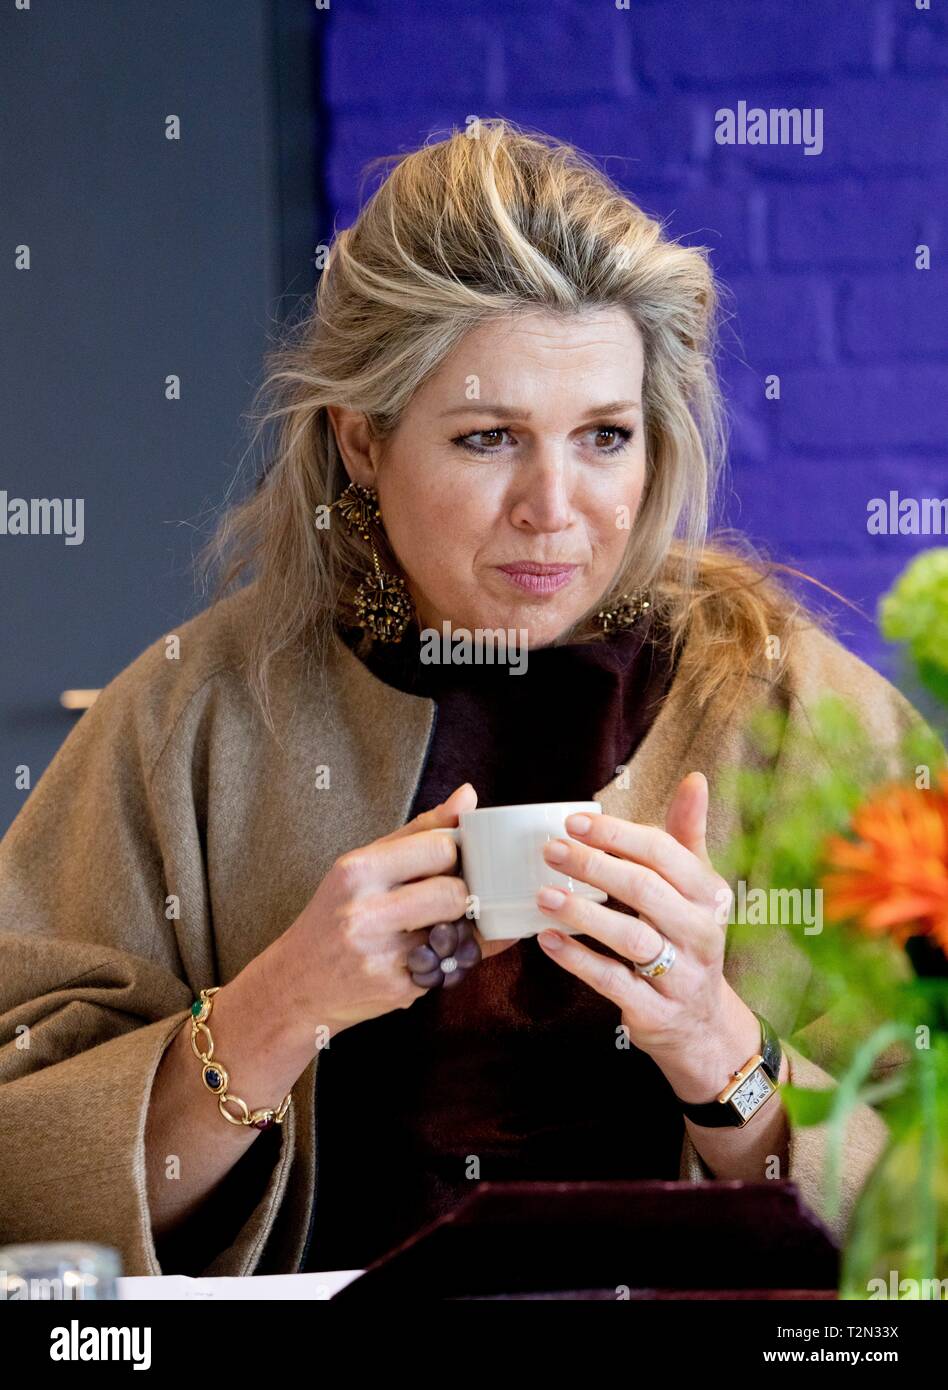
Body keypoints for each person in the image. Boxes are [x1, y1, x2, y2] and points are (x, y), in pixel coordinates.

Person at [0, 120, 929, 1280]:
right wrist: (280, 1006)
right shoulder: (189, 719)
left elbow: (917, 1224)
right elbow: (26, 1197)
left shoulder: (794, 716)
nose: (556, 506)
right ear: (362, 443)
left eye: (604, 436)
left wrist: (716, 1044)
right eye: (489, 437)